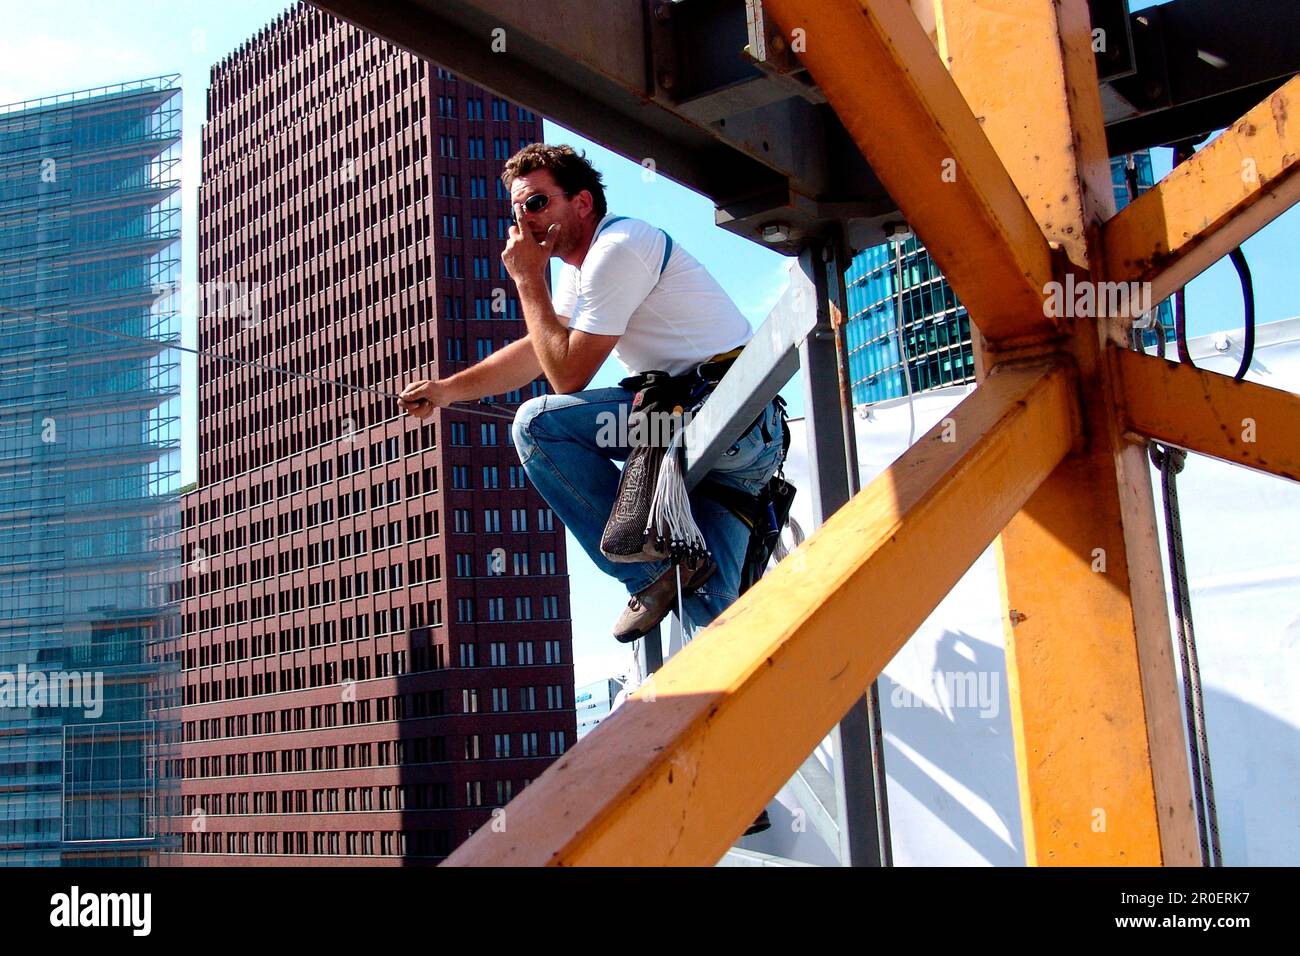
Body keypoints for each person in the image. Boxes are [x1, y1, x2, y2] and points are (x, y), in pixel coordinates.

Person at [399, 143, 786, 646]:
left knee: (539, 426)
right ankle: (680, 597)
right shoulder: (581, 271)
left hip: (713, 415)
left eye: (537, 203)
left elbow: (567, 377)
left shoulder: (617, 247)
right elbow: (540, 349)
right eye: (516, 208)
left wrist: (527, 280)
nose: (525, 219)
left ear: (582, 203)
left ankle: (649, 575)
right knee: (711, 623)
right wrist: (449, 390)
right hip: (721, 438)